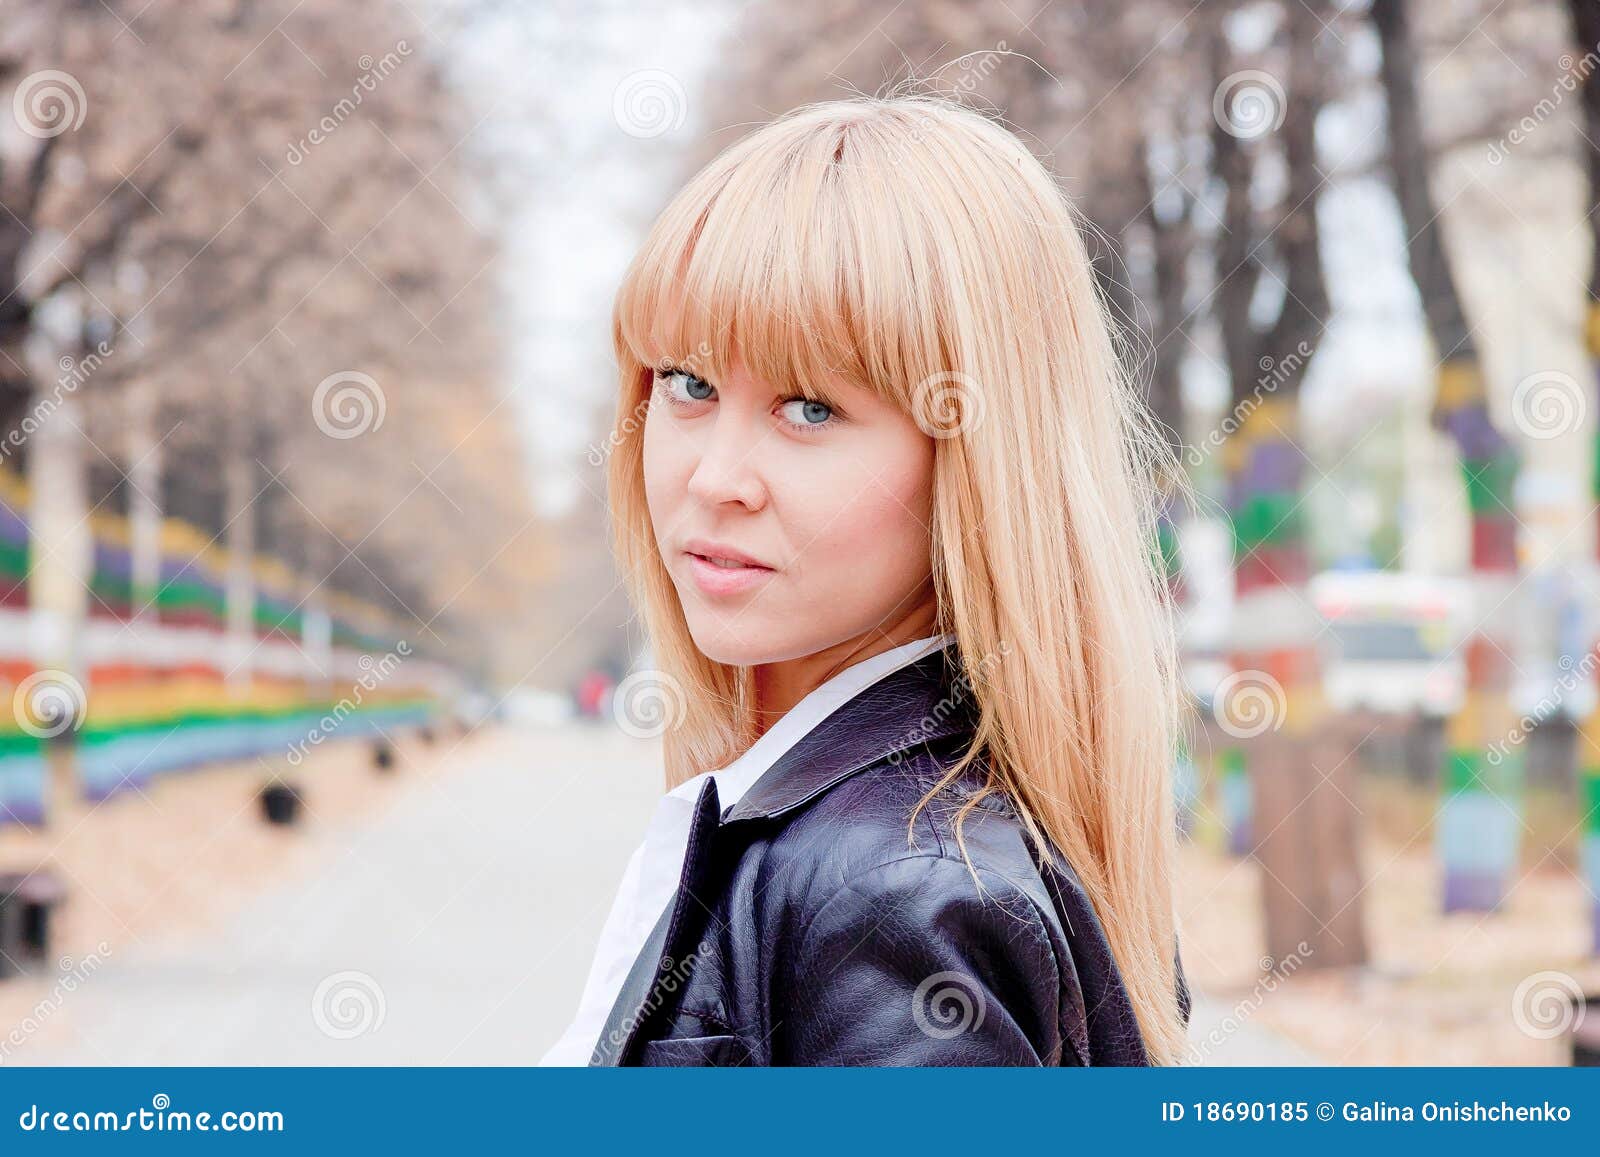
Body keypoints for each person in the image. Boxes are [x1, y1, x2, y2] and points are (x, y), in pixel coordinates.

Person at [540, 93, 1192, 1067]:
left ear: (973, 461)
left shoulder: (897, 899)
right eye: (688, 384)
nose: (715, 478)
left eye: (809, 408)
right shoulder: (867, 845)